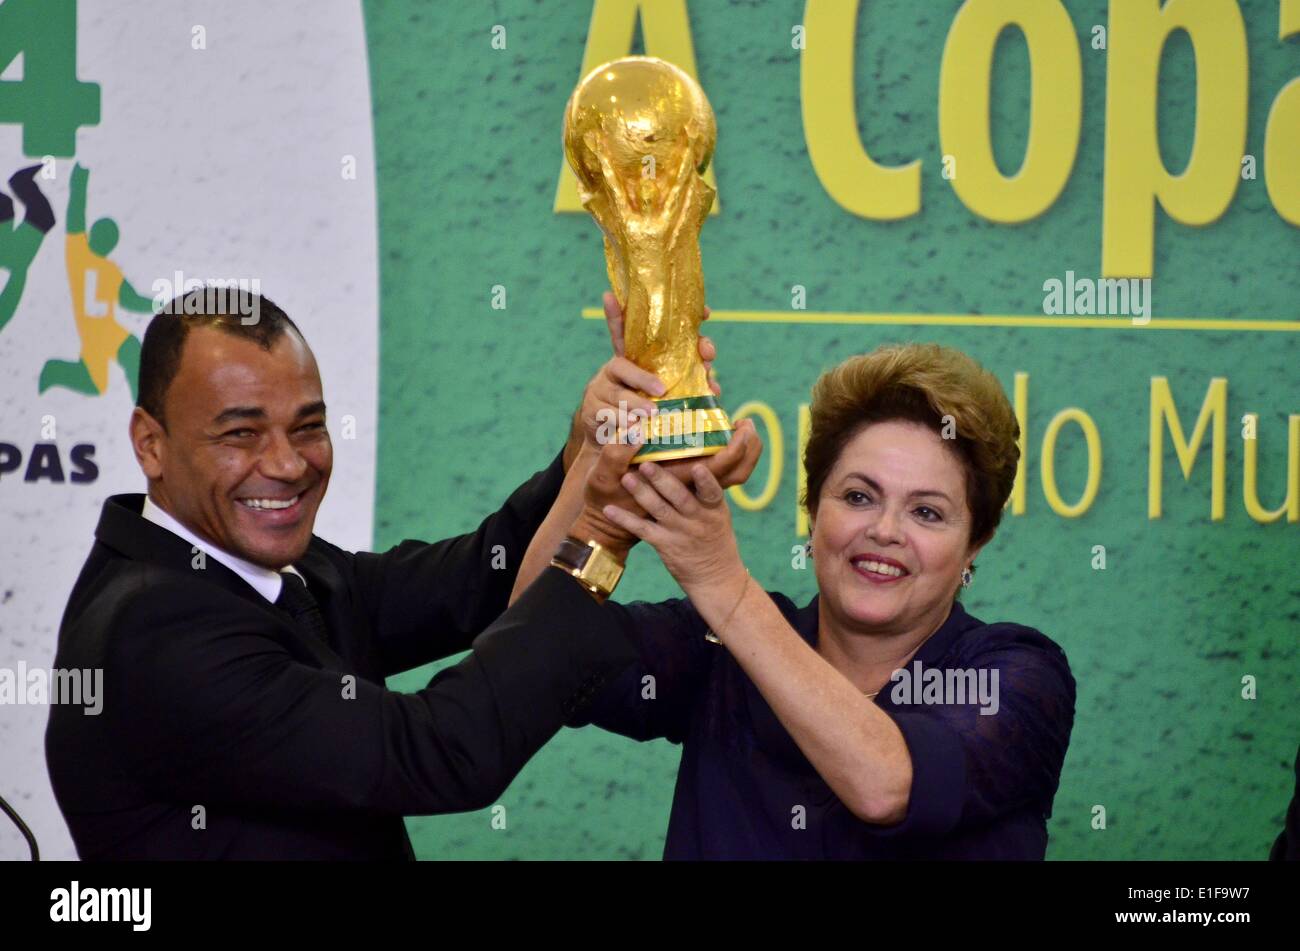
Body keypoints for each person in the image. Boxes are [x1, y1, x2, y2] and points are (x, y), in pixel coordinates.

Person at [43, 286, 760, 859]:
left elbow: (479, 580)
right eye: (241, 433)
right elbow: (438, 749)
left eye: (307, 425)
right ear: (151, 444)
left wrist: (592, 449)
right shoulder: (155, 627)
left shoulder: (266, 566)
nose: (289, 464)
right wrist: (604, 531)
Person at [524, 339, 1077, 859]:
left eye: (926, 512)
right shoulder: (716, 647)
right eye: (858, 497)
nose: (885, 531)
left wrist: (725, 587)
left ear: (974, 544)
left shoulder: (1016, 672)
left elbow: (889, 786)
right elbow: (529, 647)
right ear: (813, 511)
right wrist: (600, 477)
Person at [39, 164, 156, 400]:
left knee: (129, 352)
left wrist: (161, 304)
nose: (106, 240)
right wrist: (79, 183)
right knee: (96, 383)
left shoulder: (111, 270)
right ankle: (56, 370)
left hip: (107, 326)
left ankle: (141, 408)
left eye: (110, 237)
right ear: (93, 234)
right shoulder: (79, 255)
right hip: (92, 329)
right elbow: (75, 216)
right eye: (102, 233)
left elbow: (130, 300)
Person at [0, 164, 55, 334]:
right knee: (42, 217)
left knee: (8, 208)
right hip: (13, 258)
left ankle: (21, 182)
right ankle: (21, 182)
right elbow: (7, 305)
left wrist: (19, 273)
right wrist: (19, 274)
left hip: (12, 258)